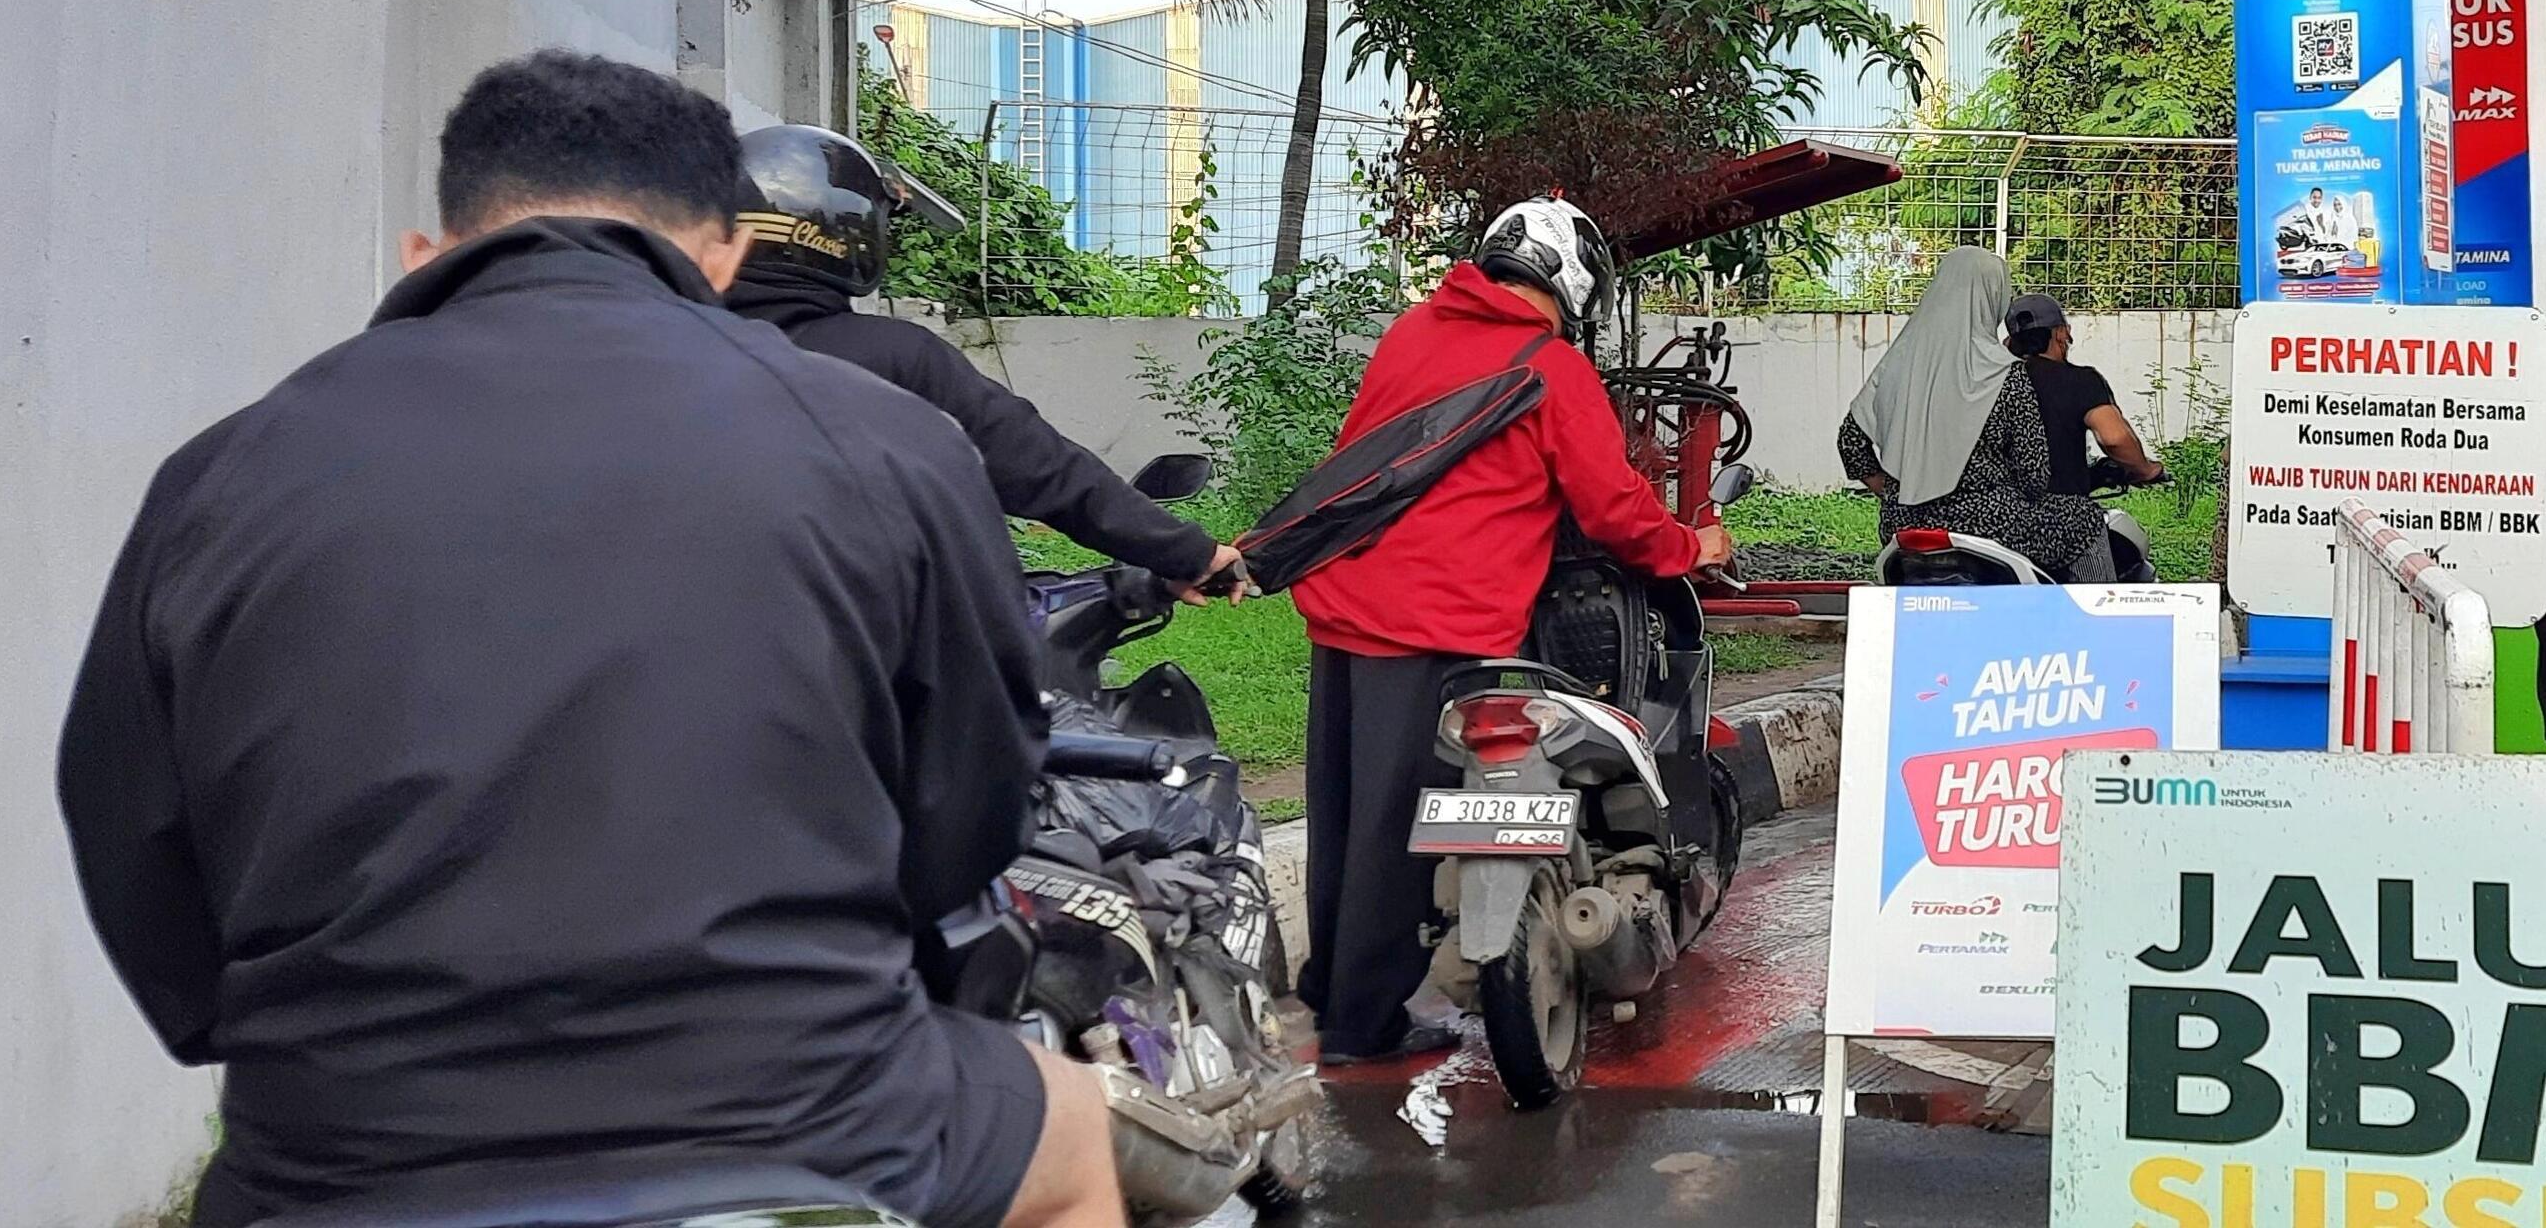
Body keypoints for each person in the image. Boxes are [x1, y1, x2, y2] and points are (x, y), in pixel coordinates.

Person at [55, 51, 1113, 1228]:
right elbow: (973, 804)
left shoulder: (223, 472)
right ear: (720, 258)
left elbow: (126, 826)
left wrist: (275, 1029)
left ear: (430, 253)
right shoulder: (889, 444)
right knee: (1069, 1132)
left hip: (339, 1148)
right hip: (806, 1108)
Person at [1287, 195, 1733, 1062]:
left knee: (1342, 815)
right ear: (1575, 283)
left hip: (1342, 602)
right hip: (1437, 623)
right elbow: (1612, 509)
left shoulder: (1412, 332)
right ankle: (1359, 1024)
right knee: (1397, 829)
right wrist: (1690, 543)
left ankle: (1332, 989)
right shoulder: (1551, 367)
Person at [727, 122, 1244, 595]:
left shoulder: (660, 350)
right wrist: (1188, 553)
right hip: (850, 651)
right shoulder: (897, 362)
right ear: (850, 235)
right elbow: (1039, 467)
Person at [1840, 247, 2104, 579]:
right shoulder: (2004, 373)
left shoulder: (1896, 365)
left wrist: (1894, 490)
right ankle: (2097, 621)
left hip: (1901, 526)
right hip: (1991, 523)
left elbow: (1850, 441)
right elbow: (2034, 476)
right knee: (2085, 519)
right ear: (1993, 297)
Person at [2008, 291, 2165, 496]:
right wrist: (2145, 470)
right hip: (2060, 512)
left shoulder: (1995, 380)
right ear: (2061, 334)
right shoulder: (2080, 381)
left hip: (1995, 511)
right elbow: (2114, 438)